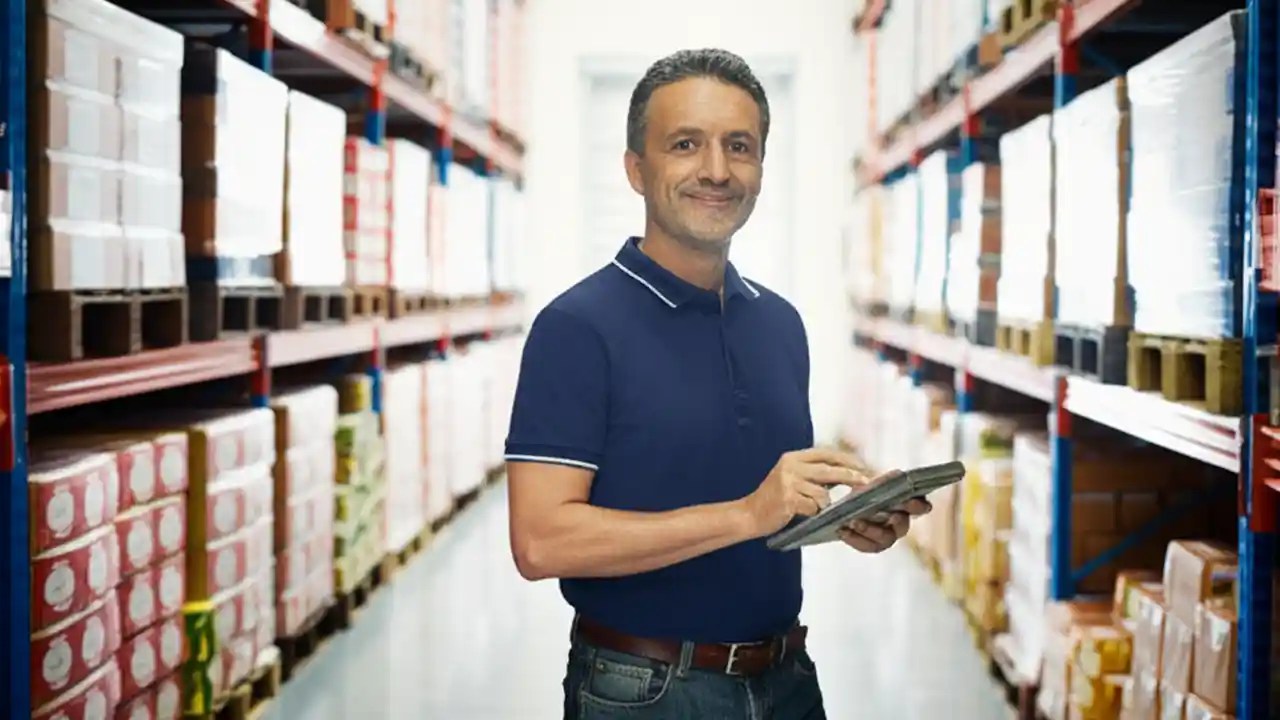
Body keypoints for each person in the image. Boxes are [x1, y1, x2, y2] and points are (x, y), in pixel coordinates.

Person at [504, 48, 932, 719]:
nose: (716, 170)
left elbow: (750, 503)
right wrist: (747, 514)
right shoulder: (578, 328)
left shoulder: (781, 324)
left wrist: (843, 518)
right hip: (646, 691)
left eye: (740, 146)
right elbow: (540, 541)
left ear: (761, 167)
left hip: (787, 680)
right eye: (685, 145)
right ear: (636, 169)